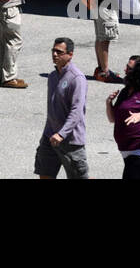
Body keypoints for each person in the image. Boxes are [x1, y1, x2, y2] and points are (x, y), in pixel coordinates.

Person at [34, 37, 89, 179]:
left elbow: (77, 111)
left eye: (59, 52)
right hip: (50, 136)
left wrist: (62, 134)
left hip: (70, 140)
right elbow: (52, 108)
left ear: (70, 54)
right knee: (45, 175)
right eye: (53, 51)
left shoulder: (77, 78)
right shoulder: (52, 76)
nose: (54, 54)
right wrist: (49, 132)